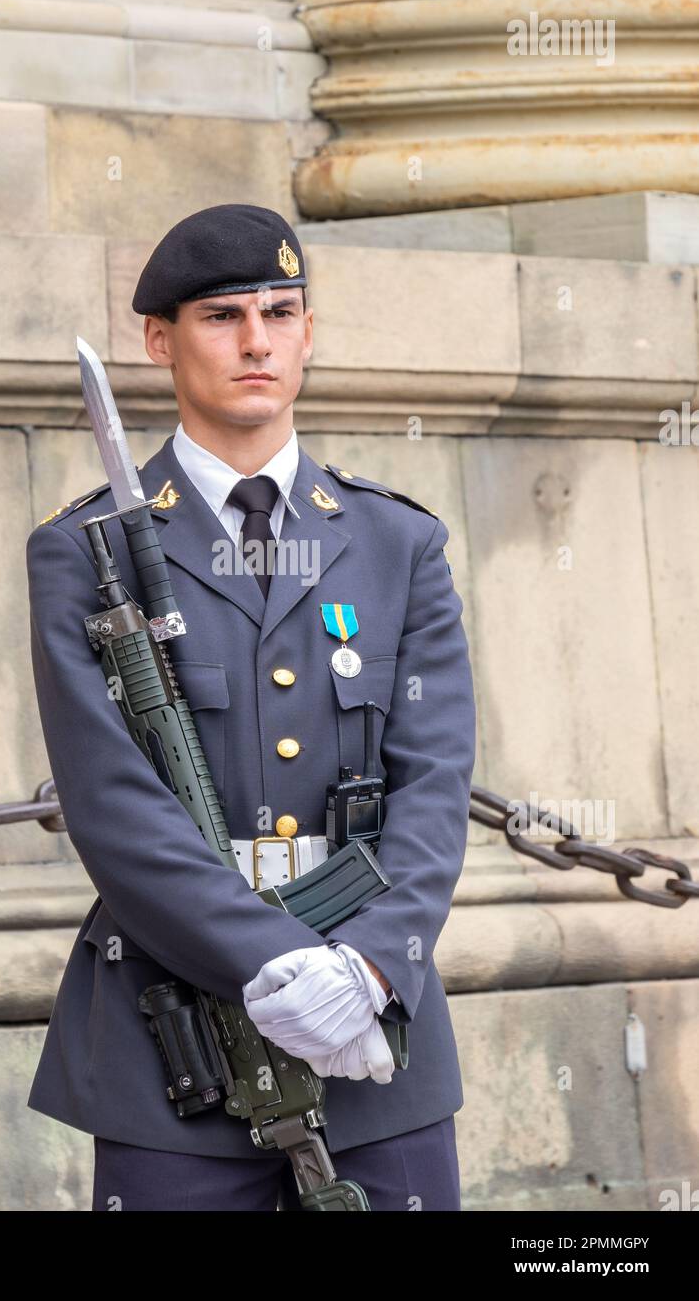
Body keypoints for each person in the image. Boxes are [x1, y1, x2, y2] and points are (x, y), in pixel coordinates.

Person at [25, 204, 476, 1211]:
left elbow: (434, 784)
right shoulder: (83, 552)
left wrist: (364, 970)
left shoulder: (397, 543)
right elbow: (113, 807)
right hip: (172, 1053)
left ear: (309, 331)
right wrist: (279, 964)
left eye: (280, 311)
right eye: (222, 316)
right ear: (159, 339)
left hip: (375, 1051)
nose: (257, 339)